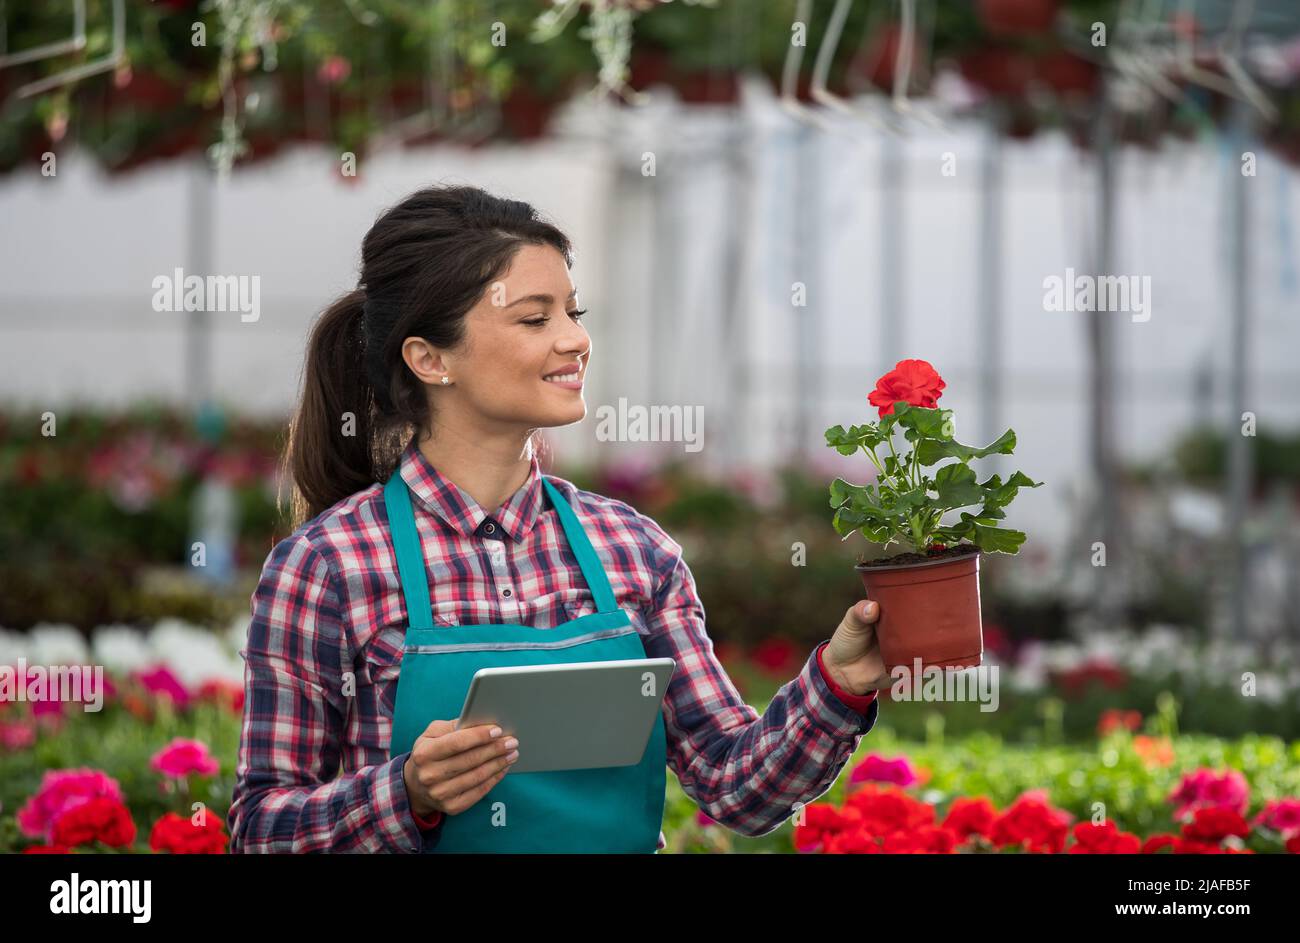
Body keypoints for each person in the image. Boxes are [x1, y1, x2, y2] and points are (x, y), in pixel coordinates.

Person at [226, 184, 889, 854]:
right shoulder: (329, 565)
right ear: (430, 358)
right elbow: (259, 832)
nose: (577, 340)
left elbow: (734, 784)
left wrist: (837, 683)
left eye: (573, 312)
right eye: (535, 319)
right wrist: (406, 794)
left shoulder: (631, 549)